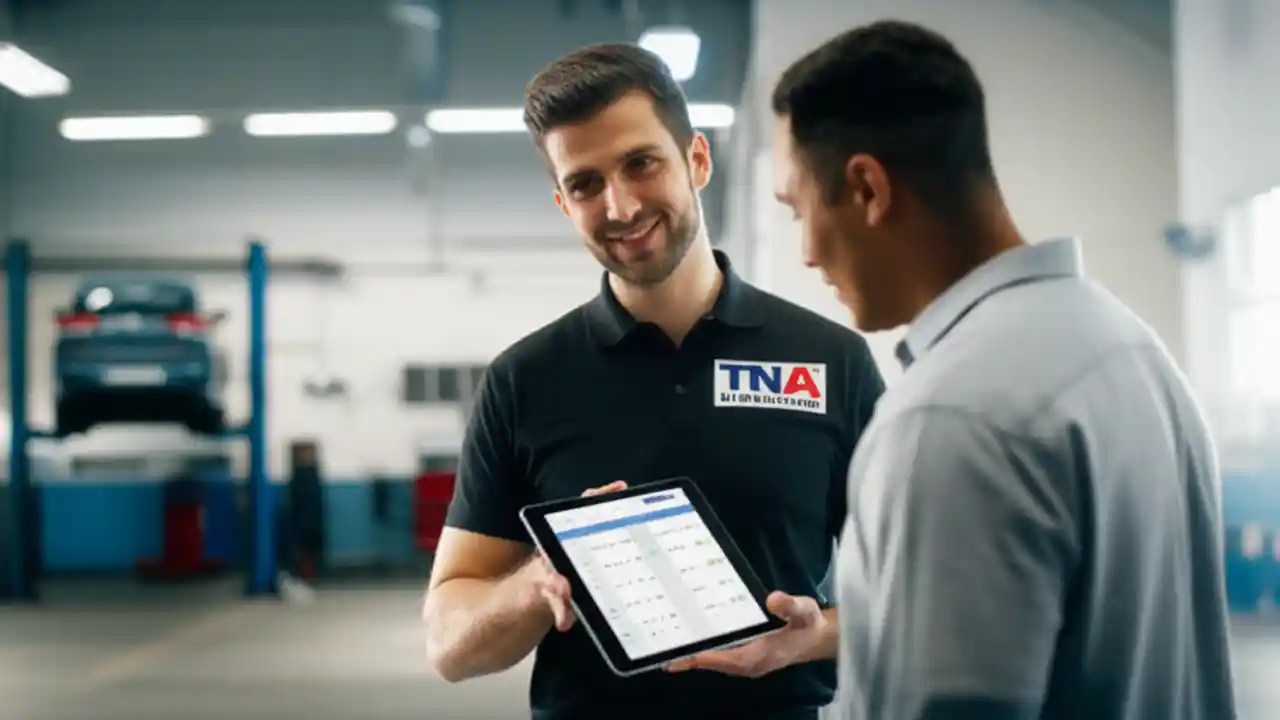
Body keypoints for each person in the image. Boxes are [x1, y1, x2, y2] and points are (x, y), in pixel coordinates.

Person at [755, 19, 1237, 720]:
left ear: (867, 189)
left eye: (799, 209)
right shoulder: (1129, 350)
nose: (804, 253)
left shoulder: (949, 419)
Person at [420, 43, 885, 719]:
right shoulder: (525, 381)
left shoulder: (828, 362)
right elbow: (448, 646)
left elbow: (922, 592)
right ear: (562, 202)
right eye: (584, 184)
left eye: (641, 163)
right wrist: (535, 583)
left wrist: (815, 639)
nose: (620, 206)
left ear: (696, 160)